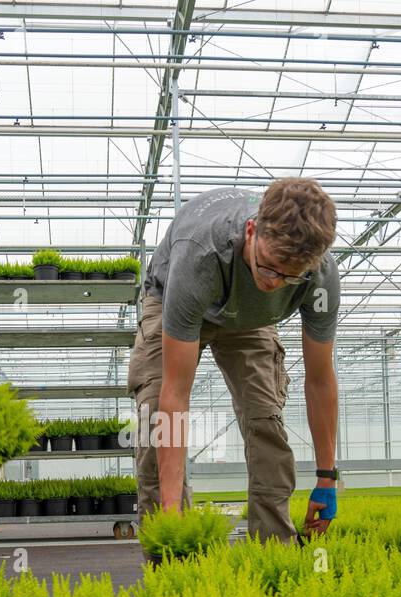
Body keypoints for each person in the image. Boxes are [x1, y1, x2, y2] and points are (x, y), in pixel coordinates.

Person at [126, 179, 341, 541]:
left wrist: (327, 477)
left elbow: (320, 381)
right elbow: (175, 395)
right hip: (176, 302)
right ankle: (171, 554)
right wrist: (169, 510)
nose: (275, 283)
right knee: (154, 418)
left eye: (291, 277)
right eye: (270, 267)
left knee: (265, 418)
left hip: (252, 320)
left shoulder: (318, 276)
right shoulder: (200, 254)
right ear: (252, 230)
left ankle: (273, 552)